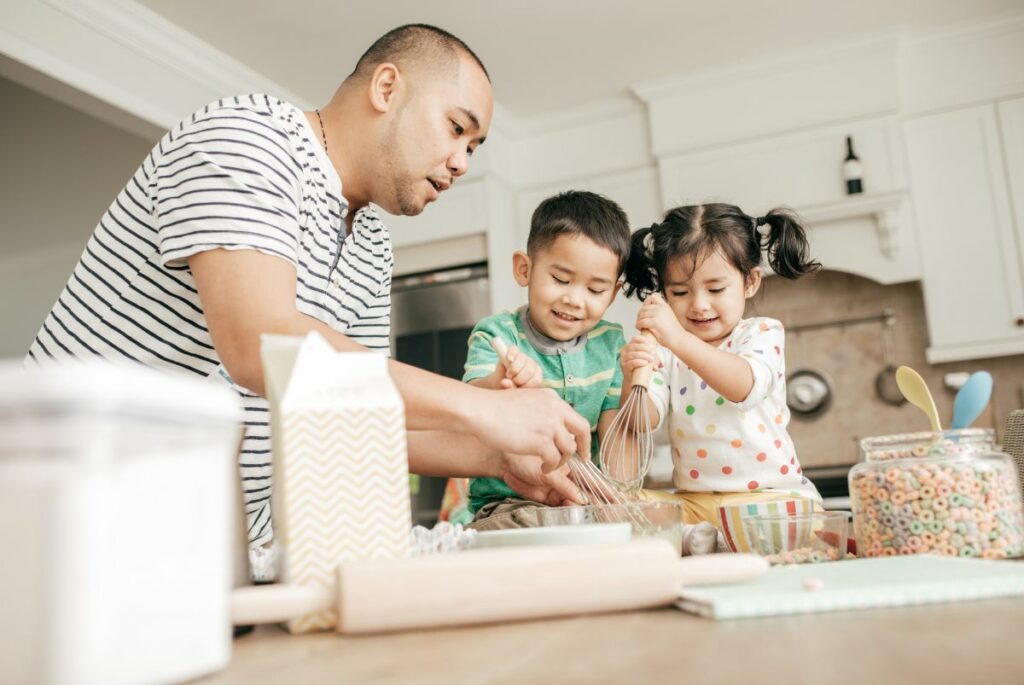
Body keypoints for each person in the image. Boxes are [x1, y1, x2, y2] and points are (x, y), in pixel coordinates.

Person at [24, 24, 589, 547]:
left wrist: (494, 456)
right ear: (387, 87)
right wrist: (475, 407)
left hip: (212, 548)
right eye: (456, 128)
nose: (462, 161)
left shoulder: (371, 242)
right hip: (66, 520)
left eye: (473, 146)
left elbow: (347, 416)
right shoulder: (247, 136)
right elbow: (260, 344)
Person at [618, 203, 823, 529]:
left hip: (770, 499)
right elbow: (643, 420)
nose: (699, 305)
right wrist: (634, 376)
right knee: (624, 509)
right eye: (680, 291)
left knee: (788, 524)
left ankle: (709, 540)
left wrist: (679, 340)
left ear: (750, 282)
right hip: (697, 503)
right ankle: (707, 538)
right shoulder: (666, 349)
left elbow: (744, 386)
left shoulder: (761, 333)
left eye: (715, 289)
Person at [460, 190, 631, 530]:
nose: (574, 299)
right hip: (508, 504)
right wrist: (499, 381)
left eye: (595, 290)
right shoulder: (498, 334)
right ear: (525, 269)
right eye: (561, 280)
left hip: (580, 500)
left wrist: (617, 495)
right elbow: (471, 405)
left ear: (613, 293)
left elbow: (615, 432)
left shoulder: (610, 343)